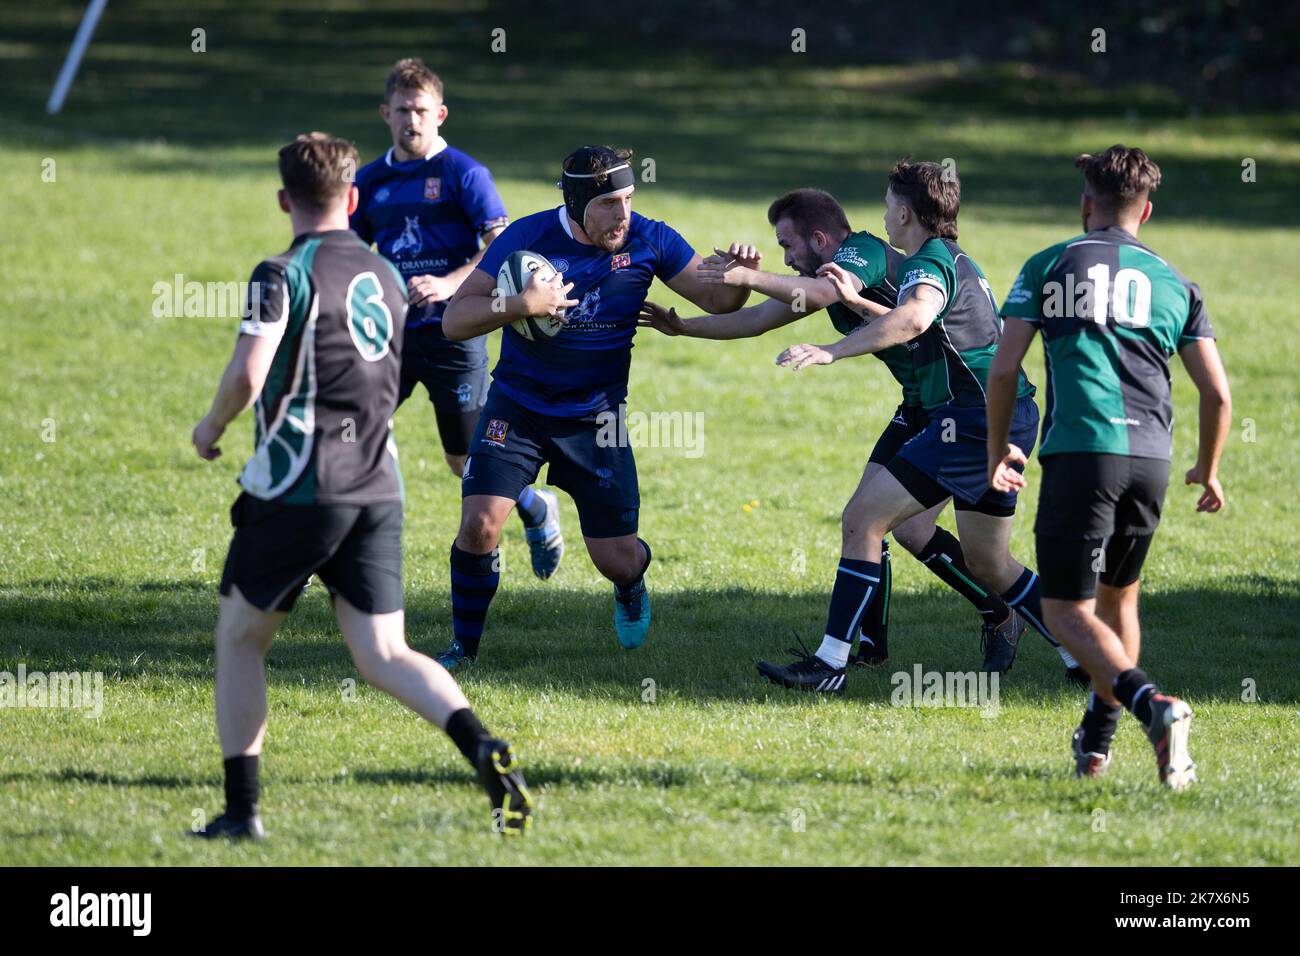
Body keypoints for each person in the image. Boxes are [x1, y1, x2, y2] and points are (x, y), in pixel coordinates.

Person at [190, 133, 532, 839]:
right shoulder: (382, 271)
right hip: (379, 483)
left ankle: (242, 813)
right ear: (352, 199)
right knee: (383, 654)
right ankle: (485, 751)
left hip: (300, 486)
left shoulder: (279, 271)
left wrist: (210, 424)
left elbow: (250, 375)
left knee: (239, 640)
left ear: (285, 200)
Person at [641, 187, 1080, 677]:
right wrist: (685, 328)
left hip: (962, 411)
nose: (785, 257)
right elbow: (758, 319)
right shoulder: (826, 275)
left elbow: (845, 299)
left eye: (788, 245)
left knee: (868, 520)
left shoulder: (862, 252)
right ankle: (1052, 641)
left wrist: (748, 276)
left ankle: (835, 662)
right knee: (921, 535)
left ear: (821, 237)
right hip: (931, 409)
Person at [435, 144, 750, 665]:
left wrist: (736, 279)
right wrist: (521, 305)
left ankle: (630, 586)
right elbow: (454, 319)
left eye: (627, 199)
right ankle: (462, 651)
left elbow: (717, 301)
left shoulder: (650, 237)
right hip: (518, 407)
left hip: (597, 419)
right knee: (479, 526)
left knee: (617, 560)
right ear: (579, 204)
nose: (622, 214)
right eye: (608, 204)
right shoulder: (527, 237)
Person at [759, 159, 1063, 693]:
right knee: (989, 563)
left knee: (863, 520)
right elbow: (917, 323)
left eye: (885, 207)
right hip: (1003, 415)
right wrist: (856, 302)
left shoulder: (928, 261)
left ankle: (830, 663)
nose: (882, 217)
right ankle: (1084, 656)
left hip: (970, 420)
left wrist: (831, 351)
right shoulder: (950, 258)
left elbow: (917, 319)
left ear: (904, 212)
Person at [987, 145, 1231, 788]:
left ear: (1085, 205)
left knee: (1068, 611)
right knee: (1119, 597)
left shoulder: (1047, 264)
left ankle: (1154, 705)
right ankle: (1097, 740)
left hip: (1080, 453)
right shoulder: (1177, 283)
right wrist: (1208, 469)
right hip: (1151, 458)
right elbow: (1218, 394)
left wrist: (997, 451)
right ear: (1146, 211)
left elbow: (1005, 367)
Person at [351, 57, 564, 581]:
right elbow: (350, 253)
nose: (412, 121)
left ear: (440, 113)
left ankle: (536, 508)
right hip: (389, 336)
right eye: (402, 110)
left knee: (465, 461)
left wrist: (449, 284)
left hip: (454, 333)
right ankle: (334, 546)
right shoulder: (370, 181)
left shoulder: (464, 174)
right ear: (385, 113)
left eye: (422, 110)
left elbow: (503, 248)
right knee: (349, 430)